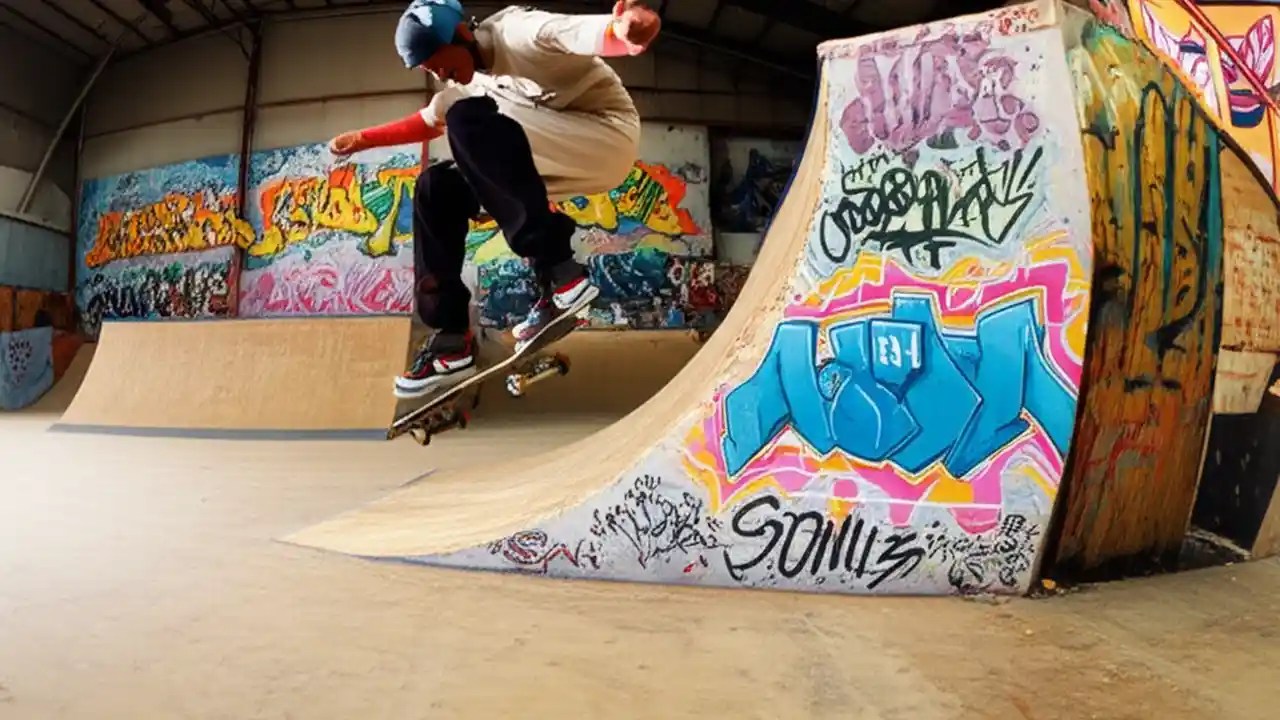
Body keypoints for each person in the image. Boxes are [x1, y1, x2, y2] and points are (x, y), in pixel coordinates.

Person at [328, 0, 661, 399]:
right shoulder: (464, 86)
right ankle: (452, 338)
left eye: (438, 60)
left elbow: (595, 33)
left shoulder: (520, 32)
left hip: (606, 135)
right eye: (428, 69)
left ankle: (561, 272)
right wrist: (362, 139)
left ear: (462, 34)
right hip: (552, 156)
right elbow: (425, 121)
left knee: (467, 119)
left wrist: (627, 30)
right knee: (437, 187)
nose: (438, 73)